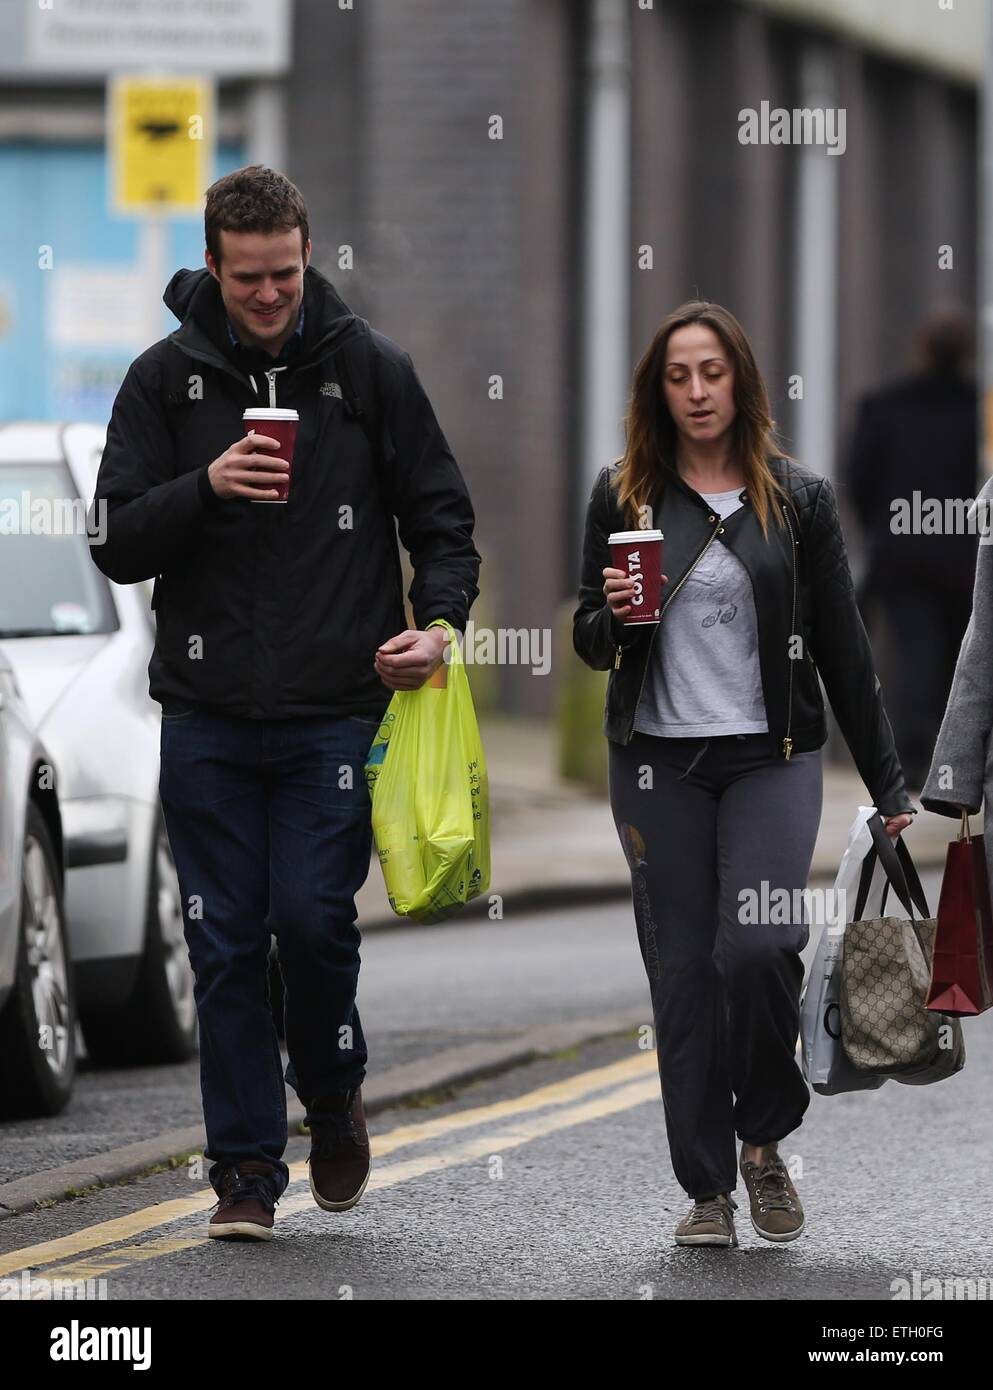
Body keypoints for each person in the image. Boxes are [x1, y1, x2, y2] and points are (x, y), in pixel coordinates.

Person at [88, 165, 480, 1241]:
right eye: (250, 278)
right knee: (223, 943)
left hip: (335, 713)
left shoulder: (370, 372)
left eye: (288, 274)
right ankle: (246, 1174)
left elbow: (444, 521)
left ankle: (333, 1088)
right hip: (207, 716)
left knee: (310, 924)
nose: (271, 295)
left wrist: (437, 628)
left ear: (309, 257)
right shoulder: (162, 385)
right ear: (213, 268)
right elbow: (113, 539)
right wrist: (203, 487)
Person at [573, 300, 914, 1249]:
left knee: (756, 951)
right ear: (657, 390)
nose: (695, 393)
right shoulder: (623, 495)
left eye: (711, 373)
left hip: (772, 755)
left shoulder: (793, 499)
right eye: (677, 377)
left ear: (741, 381)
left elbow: (843, 650)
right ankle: (708, 1191)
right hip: (655, 766)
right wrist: (611, 616)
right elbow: (589, 645)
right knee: (681, 977)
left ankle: (762, 1137)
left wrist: (890, 790)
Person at [846, 306, 978, 789]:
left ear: (921, 350)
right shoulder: (977, 409)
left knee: (913, 657)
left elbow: (859, 479)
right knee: (960, 661)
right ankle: (955, 762)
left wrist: (884, 531)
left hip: (902, 556)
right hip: (965, 558)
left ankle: (919, 761)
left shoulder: (883, 406)